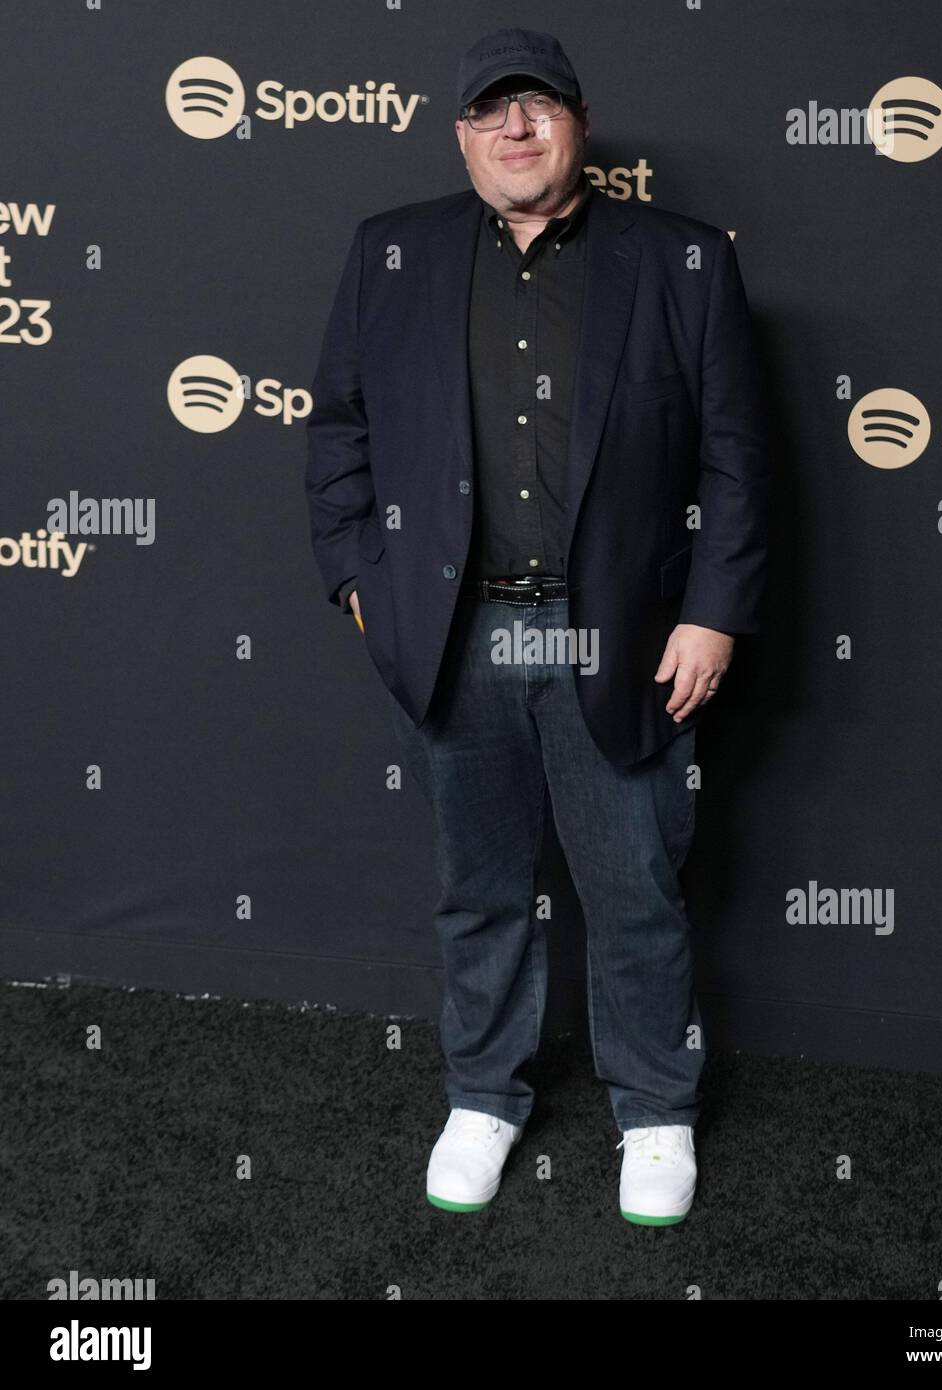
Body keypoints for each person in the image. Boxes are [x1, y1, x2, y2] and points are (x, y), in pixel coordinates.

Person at [304, 26, 770, 1226]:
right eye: (489, 111)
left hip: (619, 637)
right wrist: (364, 580)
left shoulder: (681, 263)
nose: (514, 129)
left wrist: (713, 614)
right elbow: (337, 433)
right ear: (461, 135)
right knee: (479, 886)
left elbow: (733, 458)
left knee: (635, 886)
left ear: (577, 122)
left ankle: (655, 1108)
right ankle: (482, 1095)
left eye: (537, 107)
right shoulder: (388, 254)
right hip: (453, 633)